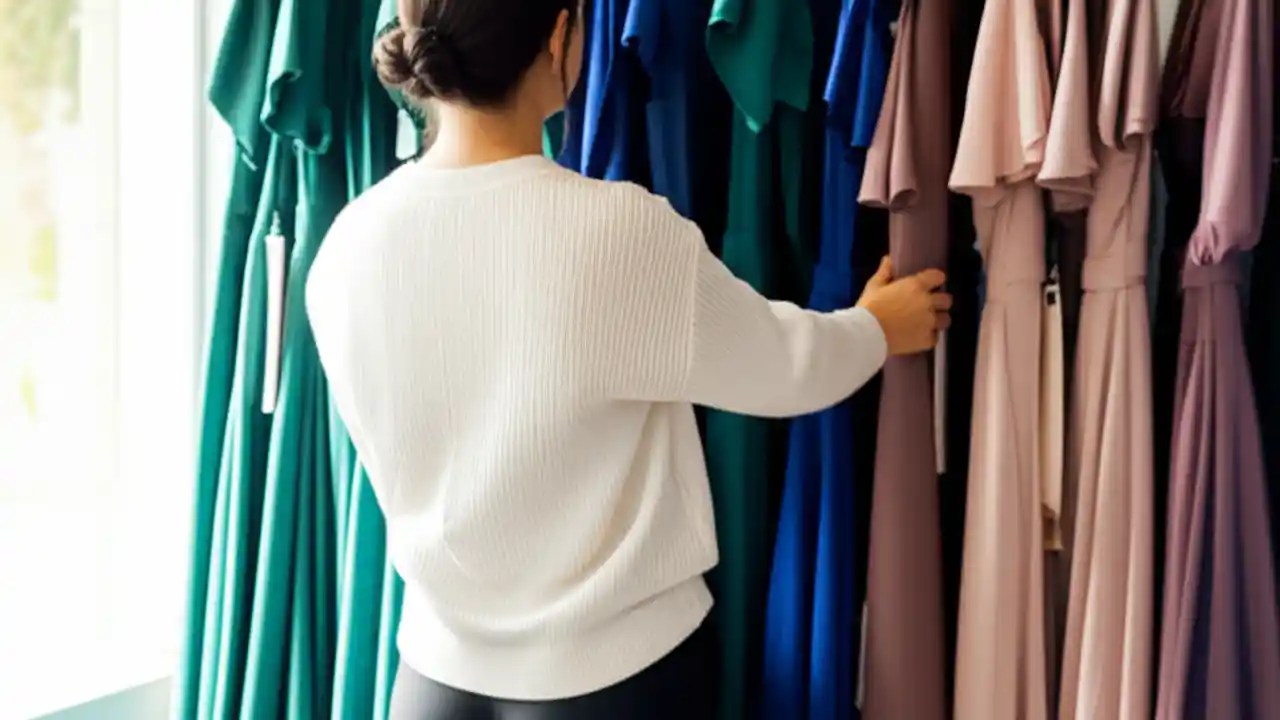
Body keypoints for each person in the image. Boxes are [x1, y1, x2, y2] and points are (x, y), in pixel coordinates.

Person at [305, 0, 951, 717]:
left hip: (430, 676)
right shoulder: (616, 235)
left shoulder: (346, 247)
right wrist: (876, 328)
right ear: (559, 36)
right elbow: (783, 366)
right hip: (613, 682)